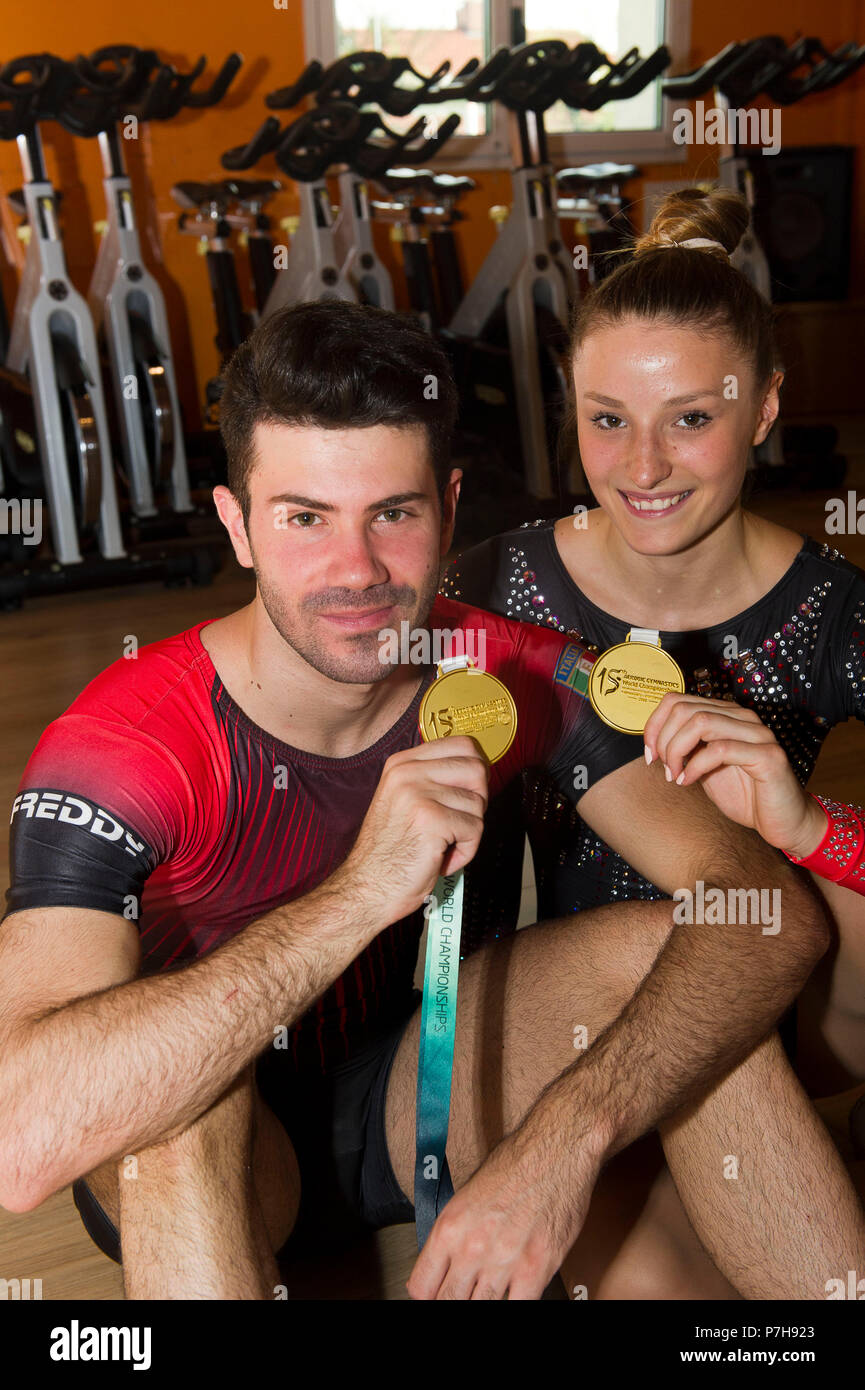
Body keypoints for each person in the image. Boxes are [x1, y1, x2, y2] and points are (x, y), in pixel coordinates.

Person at [1, 301, 862, 1303]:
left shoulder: (514, 670)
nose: (356, 571)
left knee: (668, 955)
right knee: (184, 1108)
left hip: (427, 1087)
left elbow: (761, 917)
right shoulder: (124, 744)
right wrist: (363, 890)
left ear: (448, 508)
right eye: (305, 518)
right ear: (237, 524)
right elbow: (24, 1141)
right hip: (219, 1154)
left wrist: (563, 1142)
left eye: (393, 514)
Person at [441, 185, 865, 1183]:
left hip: (767, 984)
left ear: (763, 405)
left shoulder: (833, 609)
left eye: (688, 418)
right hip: (572, 1008)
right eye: (606, 418)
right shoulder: (495, 583)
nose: (641, 465)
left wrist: (806, 827)